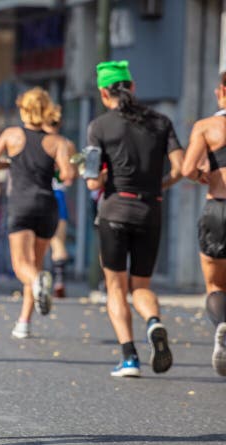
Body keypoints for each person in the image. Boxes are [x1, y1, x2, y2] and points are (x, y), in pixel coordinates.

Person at [86, 61, 183, 377]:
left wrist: (98, 177)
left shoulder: (99, 127)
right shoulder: (161, 122)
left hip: (114, 211)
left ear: (104, 92)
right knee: (141, 286)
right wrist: (159, 185)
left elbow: (91, 181)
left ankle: (129, 358)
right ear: (132, 87)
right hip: (150, 210)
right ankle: (154, 323)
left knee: (116, 287)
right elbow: (180, 168)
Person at [0, 88, 75, 339]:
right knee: (35, 265)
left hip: (21, 205)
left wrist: (13, 162)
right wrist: (55, 166)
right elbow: (68, 175)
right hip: (47, 206)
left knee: (23, 266)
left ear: (23, 109)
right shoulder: (58, 142)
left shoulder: (12, 135)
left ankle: (37, 286)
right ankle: (24, 322)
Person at [181, 71, 226, 376]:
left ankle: (223, 324)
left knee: (215, 285)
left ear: (222, 91)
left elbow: (186, 169)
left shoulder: (207, 127)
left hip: (218, 208)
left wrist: (202, 176)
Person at [43, 103, 76, 299]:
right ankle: (59, 279)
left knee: (36, 245)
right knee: (58, 243)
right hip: (59, 194)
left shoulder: (37, 141)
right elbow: (71, 175)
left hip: (37, 193)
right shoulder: (67, 144)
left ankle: (37, 282)